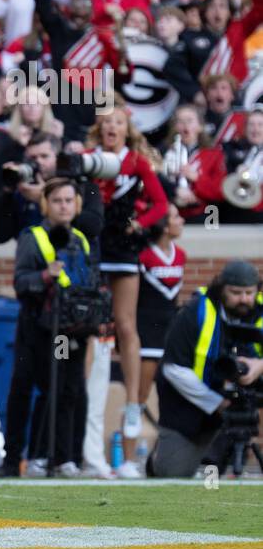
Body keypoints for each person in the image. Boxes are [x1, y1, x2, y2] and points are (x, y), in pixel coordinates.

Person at [0, 178, 101, 478]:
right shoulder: (32, 237)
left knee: (69, 390)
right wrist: (46, 276)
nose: (64, 206)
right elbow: (21, 283)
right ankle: (23, 457)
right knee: (32, 388)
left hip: (73, 329)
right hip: (38, 327)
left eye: (69, 201)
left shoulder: (82, 239)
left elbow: (90, 280)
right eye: (57, 201)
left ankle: (64, 456)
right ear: (46, 204)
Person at [85, 109, 169, 447]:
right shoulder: (90, 159)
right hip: (94, 246)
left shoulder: (136, 162)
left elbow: (161, 205)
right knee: (92, 327)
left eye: (118, 122)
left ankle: (134, 403)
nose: (111, 128)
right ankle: (88, 401)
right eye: (106, 123)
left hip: (123, 249)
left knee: (126, 325)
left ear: (126, 129)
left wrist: (140, 224)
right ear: (100, 129)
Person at [152, 260, 263, 477]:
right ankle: (157, 460)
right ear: (221, 289)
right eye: (236, 292)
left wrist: (258, 366)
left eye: (249, 293)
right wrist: (218, 403)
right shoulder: (194, 311)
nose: (244, 299)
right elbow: (173, 368)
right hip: (190, 404)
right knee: (172, 475)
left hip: (243, 403)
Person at [130, 207, 187, 479]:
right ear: (164, 225)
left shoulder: (181, 255)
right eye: (176, 217)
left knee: (172, 401)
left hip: (170, 334)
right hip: (145, 333)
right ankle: (128, 459)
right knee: (138, 397)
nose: (181, 221)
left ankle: (164, 457)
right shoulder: (143, 256)